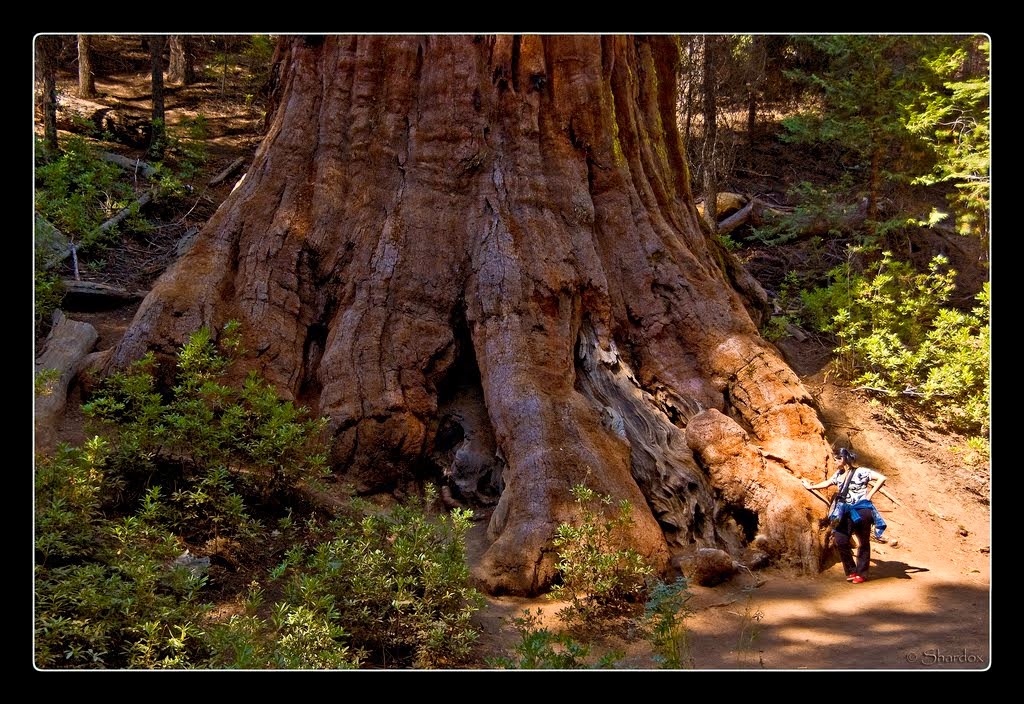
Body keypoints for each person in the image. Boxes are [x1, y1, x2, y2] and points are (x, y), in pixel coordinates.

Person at [802, 448, 888, 583]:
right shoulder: (839, 474)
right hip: (844, 511)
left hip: (862, 510)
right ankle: (851, 570)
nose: (834, 462)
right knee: (840, 539)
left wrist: (870, 495)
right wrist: (810, 487)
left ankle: (861, 574)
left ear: (842, 459)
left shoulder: (861, 472)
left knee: (863, 542)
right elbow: (827, 483)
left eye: (836, 460)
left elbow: (882, 478)